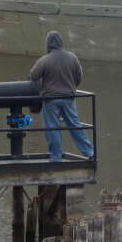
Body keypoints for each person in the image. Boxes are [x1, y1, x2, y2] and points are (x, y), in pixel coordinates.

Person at [29, 31, 95, 162]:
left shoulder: (45, 60)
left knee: (52, 128)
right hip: (69, 98)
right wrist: (70, 87)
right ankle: (90, 152)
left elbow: (33, 76)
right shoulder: (72, 57)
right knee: (75, 125)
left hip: (51, 100)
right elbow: (79, 77)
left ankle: (56, 157)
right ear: (60, 42)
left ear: (48, 44)